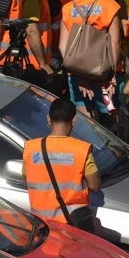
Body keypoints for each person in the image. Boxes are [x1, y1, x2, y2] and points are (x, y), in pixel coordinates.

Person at [22, 98, 100, 231]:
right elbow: (95, 185)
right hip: (73, 226)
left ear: (48, 119)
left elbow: (26, 182)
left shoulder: (30, 148)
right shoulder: (82, 150)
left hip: (42, 227)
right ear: (74, 120)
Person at [59, 0, 122, 119]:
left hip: (76, 75)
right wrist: (110, 76)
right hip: (104, 74)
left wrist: (79, 76)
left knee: (86, 122)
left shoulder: (68, 8)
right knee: (113, 121)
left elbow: (63, 47)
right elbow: (115, 43)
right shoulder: (109, 5)